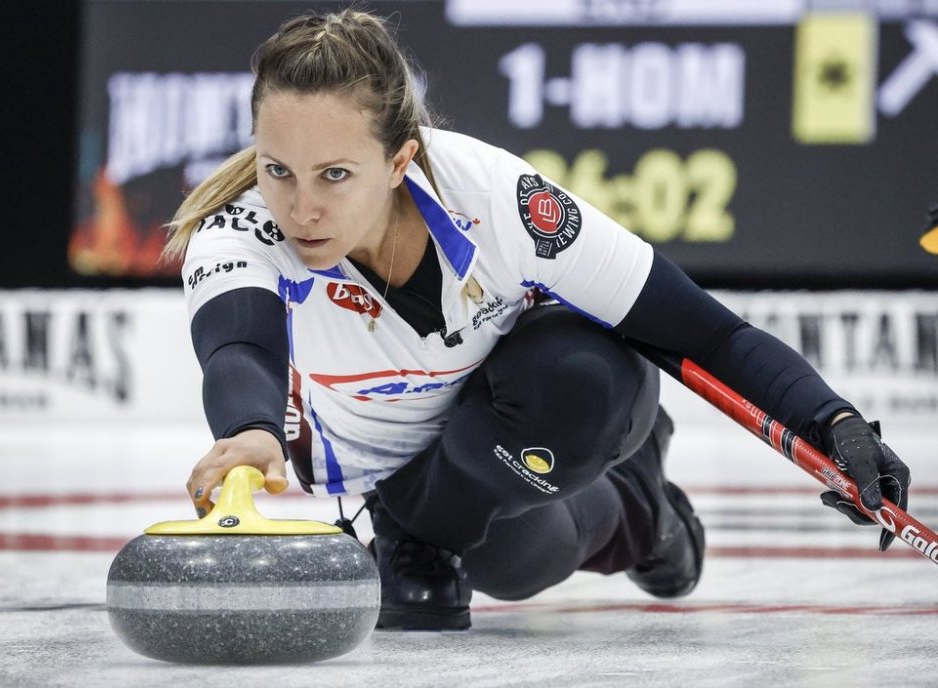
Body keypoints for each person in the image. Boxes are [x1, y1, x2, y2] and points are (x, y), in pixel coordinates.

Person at [163, 9, 911, 631]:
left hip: (515, 413)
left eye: (335, 174)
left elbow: (707, 333)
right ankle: (538, 522)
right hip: (408, 474)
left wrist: (833, 421)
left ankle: (641, 508)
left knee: (584, 379)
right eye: (277, 170)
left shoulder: (497, 198)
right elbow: (239, 346)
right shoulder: (238, 230)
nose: (302, 208)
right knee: (516, 568)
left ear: (401, 163)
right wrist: (251, 432)